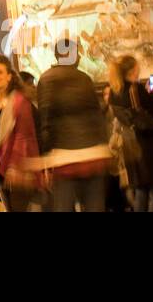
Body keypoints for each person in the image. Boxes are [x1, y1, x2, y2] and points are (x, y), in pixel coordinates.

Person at [37, 38, 111, 212]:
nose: (78, 56)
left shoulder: (46, 79)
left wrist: (46, 159)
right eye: (76, 52)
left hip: (65, 158)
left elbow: (46, 121)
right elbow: (97, 117)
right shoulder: (84, 78)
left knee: (63, 207)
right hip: (93, 155)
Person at [107, 55, 153, 212]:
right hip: (148, 146)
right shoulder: (138, 90)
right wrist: (152, 93)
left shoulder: (115, 92)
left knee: (140, 191)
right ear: (133, 69)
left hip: (130, 147)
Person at [0, 54, 39, 212]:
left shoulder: (20, 102)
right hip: (1, 172)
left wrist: (15, 167)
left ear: (9, 77)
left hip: (17, 171)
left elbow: (24, 137)